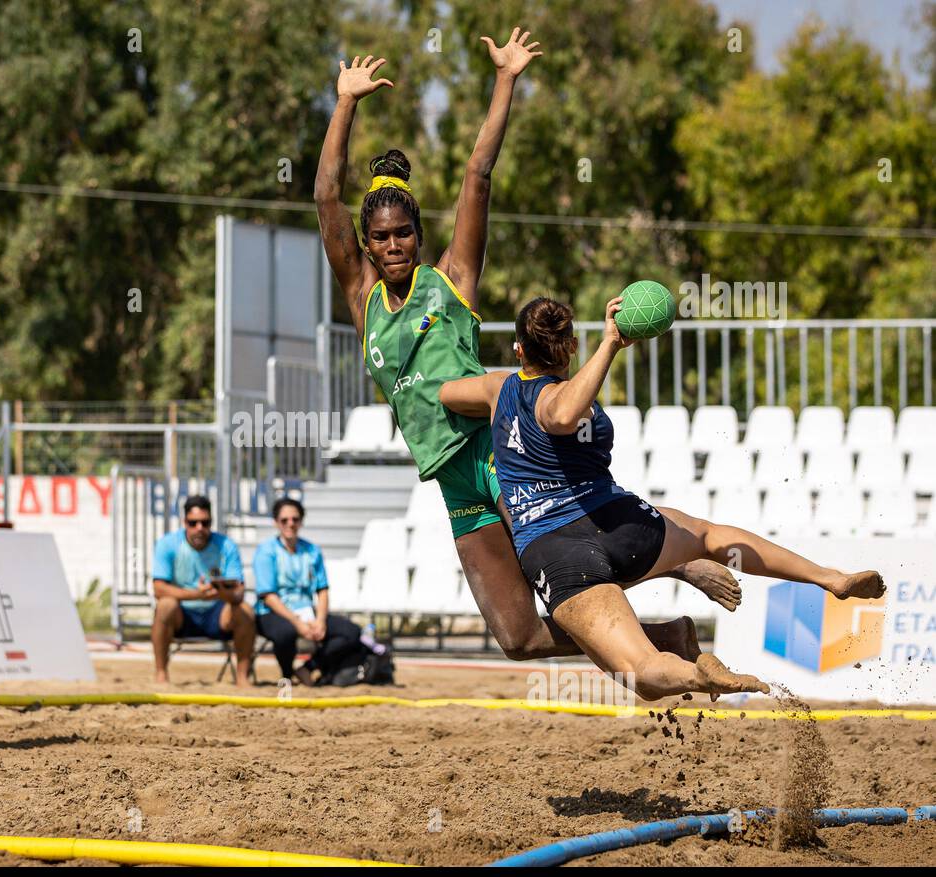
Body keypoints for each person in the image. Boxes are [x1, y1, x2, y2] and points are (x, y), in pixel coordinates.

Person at [312, 29, 737, 667]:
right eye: (381, 236)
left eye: (404, 234)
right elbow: (324, 198)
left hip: (499, 452)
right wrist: (345, 101)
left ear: (419, 237)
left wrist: (507, 78)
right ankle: (670, 639)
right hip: (453, 482)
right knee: (519, 638)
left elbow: (478, 174)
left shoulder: (452, 280)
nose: (394, 245)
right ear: (367, 244)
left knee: (580, 572)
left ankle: (682, 562)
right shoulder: (361, 299)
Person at [440, 295, 887, 700]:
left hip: (559, 551)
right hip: (622, 526)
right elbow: (559, 409)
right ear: (571, 347)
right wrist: (607, 344)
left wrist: (607, 348)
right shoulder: (564, 390)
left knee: (642, 670)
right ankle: (828, 577)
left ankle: (698, 676)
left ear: (519, 348)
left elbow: (460, 396)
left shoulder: (498, 388)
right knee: (709, 535)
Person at [252, 497, 380, 686]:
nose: (290, 524)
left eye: (295, 519)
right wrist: (297, 623)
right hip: (273, 613)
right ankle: (286, 676)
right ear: (275, 522)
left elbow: (322, 589)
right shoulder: (266, 551)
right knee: (285, 633)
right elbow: (268, 596)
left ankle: (308, 668)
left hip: (306, 611)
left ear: (301, 521)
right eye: (284, 520)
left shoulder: (312, 550)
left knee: (351, 632)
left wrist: (320, 621)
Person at [151, 495, 255, 688]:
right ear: (185, 523)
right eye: (193, 523)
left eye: (205, 523)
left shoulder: (226, 545)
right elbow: (158, 588)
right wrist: (197, 594)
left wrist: (218, 593)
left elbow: (239, 592)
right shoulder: (167, 544)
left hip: (218, 612)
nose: (199, 528)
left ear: (211, 523)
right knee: (165, 605)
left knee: (245, 611)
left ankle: (242, 677)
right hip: (182, 614)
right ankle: (161, 674)